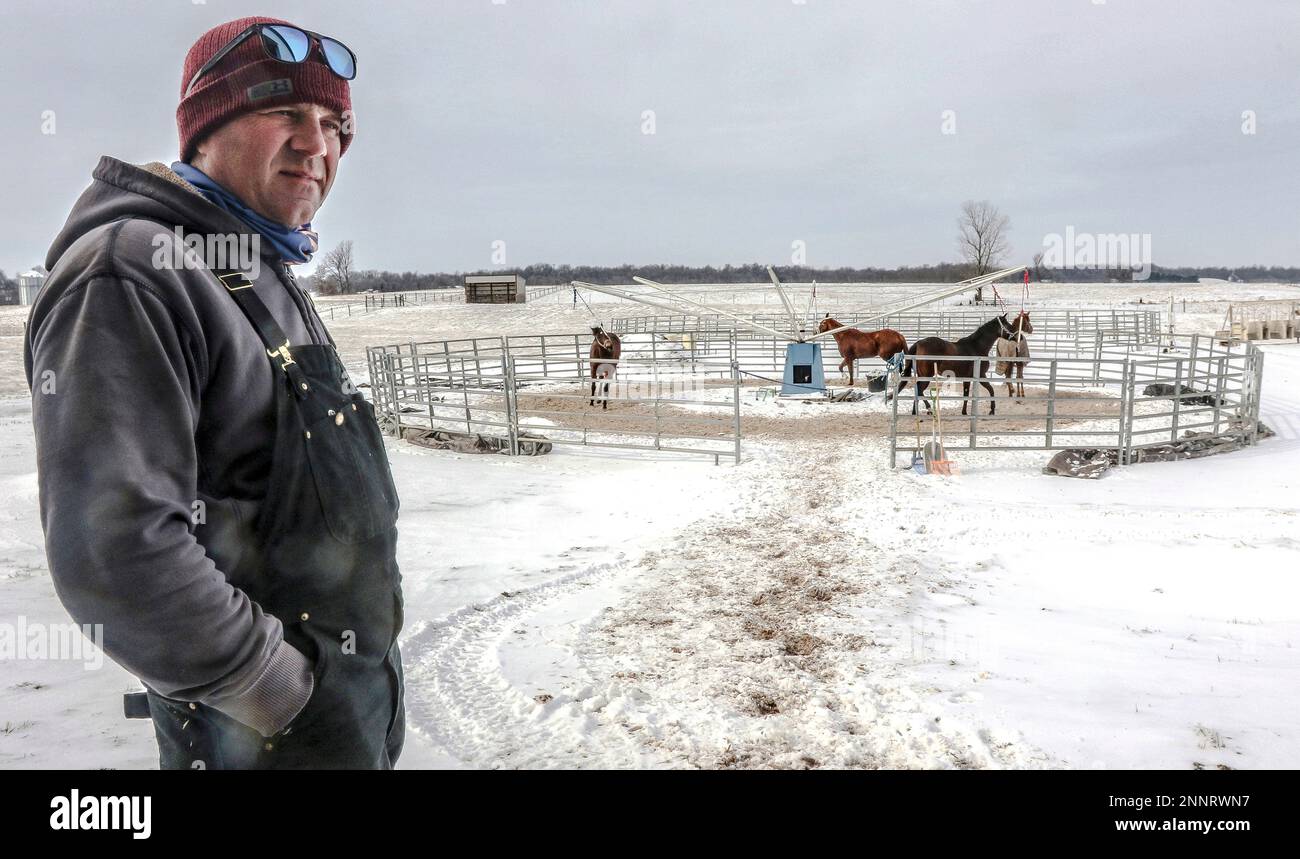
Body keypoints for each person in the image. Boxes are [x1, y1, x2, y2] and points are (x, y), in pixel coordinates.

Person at [23, 15, 404, 769]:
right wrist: (285, 696)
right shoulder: (132, 270)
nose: (317, 144)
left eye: (334, 124)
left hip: (341, 717)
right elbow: (116, 554)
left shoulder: (258, 271)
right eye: (284, 112)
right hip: (260, 736)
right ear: (205, 130)